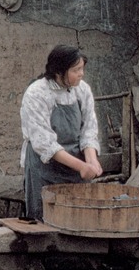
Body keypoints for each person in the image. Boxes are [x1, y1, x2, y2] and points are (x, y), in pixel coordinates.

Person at [20, 44, 102, 221]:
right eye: (76, 70)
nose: (81, 74)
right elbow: (44, 143)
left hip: (75, 163)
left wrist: (91, 161)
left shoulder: (82, 89)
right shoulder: (37, 94)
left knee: (78, 219)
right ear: (59, 72)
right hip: (45, 167)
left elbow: (89, 128)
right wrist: (81, 167)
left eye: (82, 68)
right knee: (46, 219)